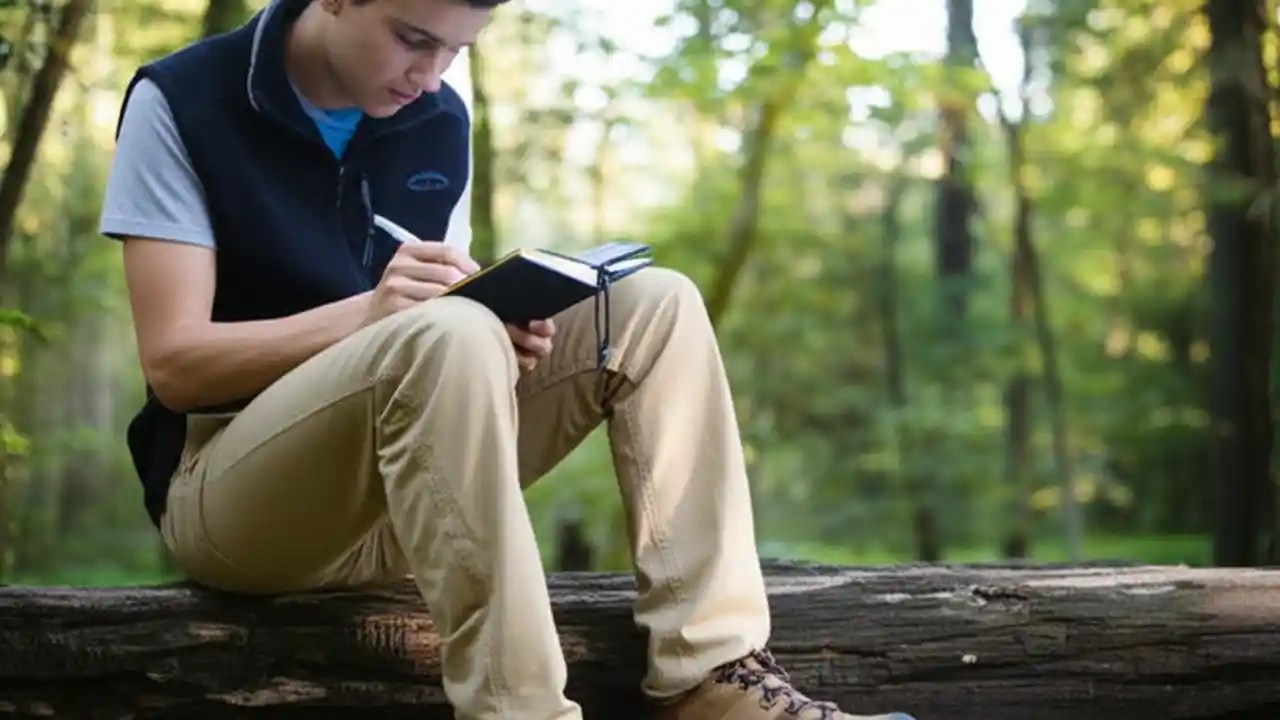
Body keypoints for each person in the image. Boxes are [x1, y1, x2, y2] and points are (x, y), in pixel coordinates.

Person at [98, 1, 918, 719]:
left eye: (457, 51)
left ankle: (712, 678)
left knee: (654, 302)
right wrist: (375, 316)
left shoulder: (439, 118)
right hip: (235, 503)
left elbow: (436, 333)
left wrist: (504, 333)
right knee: (442, 334)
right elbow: (175, 365)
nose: (430, 74)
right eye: (413, 39)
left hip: (409, 494)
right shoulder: (183, 100)